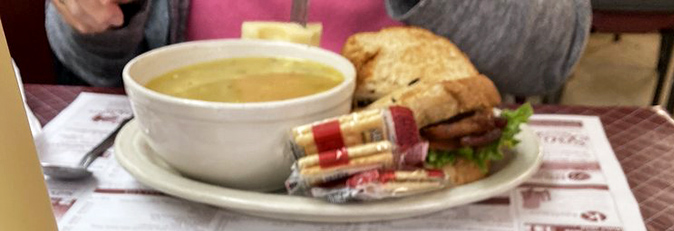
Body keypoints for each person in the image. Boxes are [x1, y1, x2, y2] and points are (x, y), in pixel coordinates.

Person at [45, 0, 591, 97]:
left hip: (420, 211)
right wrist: (109, 15)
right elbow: (91, 63)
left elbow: (550, 56)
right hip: (196, 186)